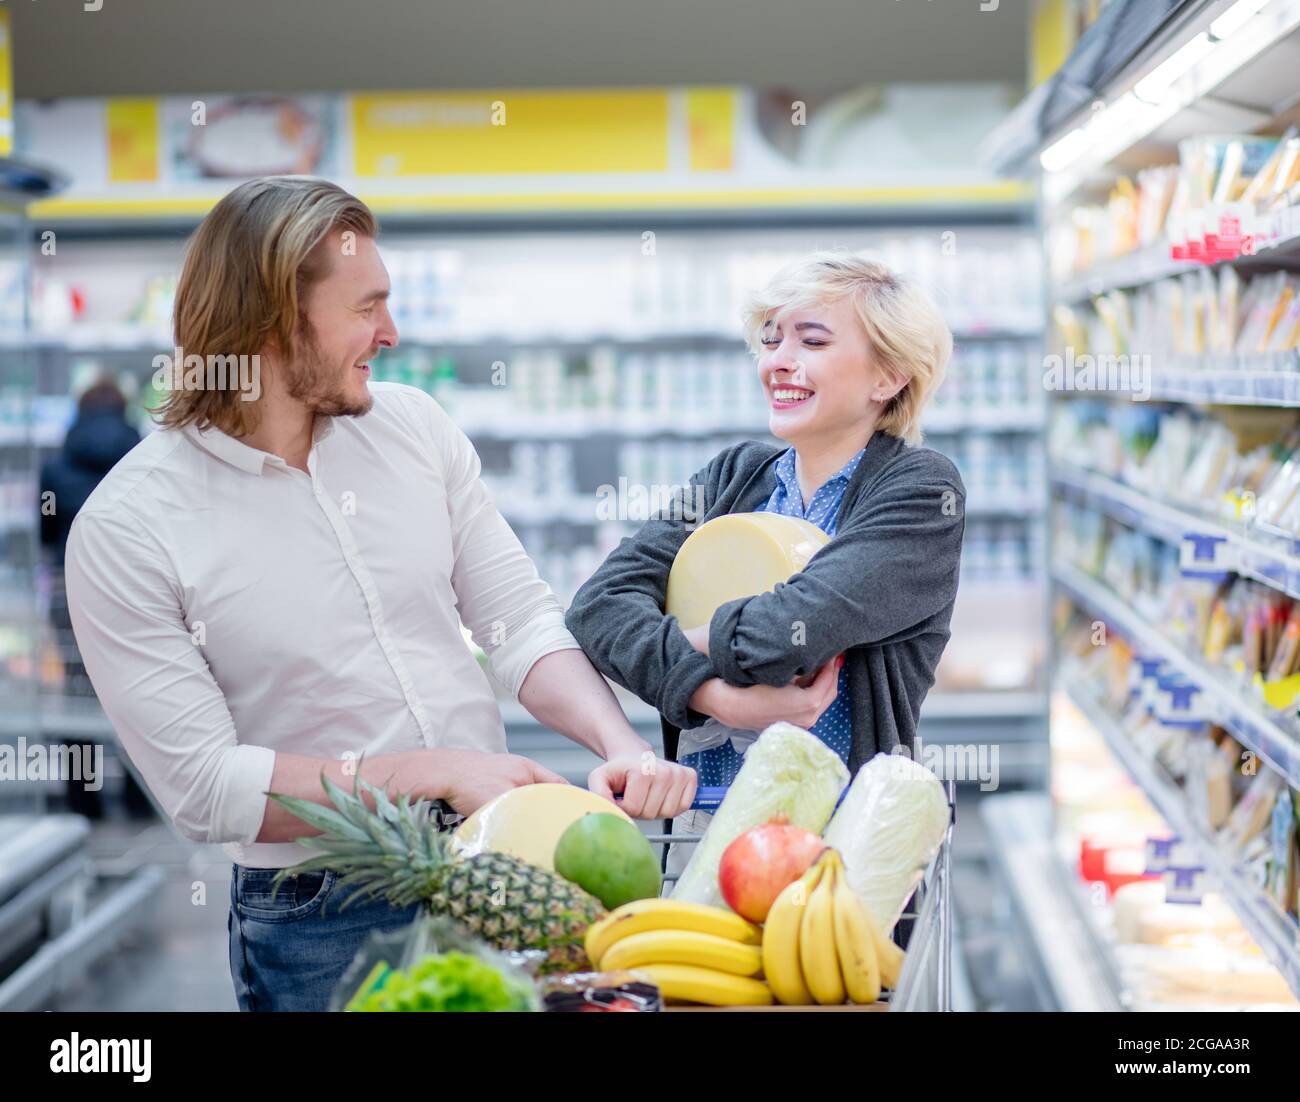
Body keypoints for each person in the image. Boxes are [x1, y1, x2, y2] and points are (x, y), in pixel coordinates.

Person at [64, 177, 697, 1012]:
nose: (390, 334)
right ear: (274, 320)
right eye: (367, 308)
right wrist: (436, 772)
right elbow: (210, 789)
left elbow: (516, 621)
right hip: (321, 917)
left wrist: (619, 742)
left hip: (496, 862)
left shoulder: (414, 430)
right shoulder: (128, 528)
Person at [565, 252, 965, 925]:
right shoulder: (736, 476)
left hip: (841, 865)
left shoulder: (921, 490)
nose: (778, 359)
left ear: (889, 375)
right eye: (772, 338)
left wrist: (673, 644)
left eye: (811, 341)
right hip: (700, 837)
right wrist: (708, 692)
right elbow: (598, 608)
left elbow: (788, 630)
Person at [38, 379, 150, 819]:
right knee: (138, 690)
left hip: (71, 595)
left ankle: (84, 802)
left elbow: (48, 536)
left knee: (77, 698)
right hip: (131, 592)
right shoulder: (141, 460)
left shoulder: (54, 468)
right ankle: (140, 799)